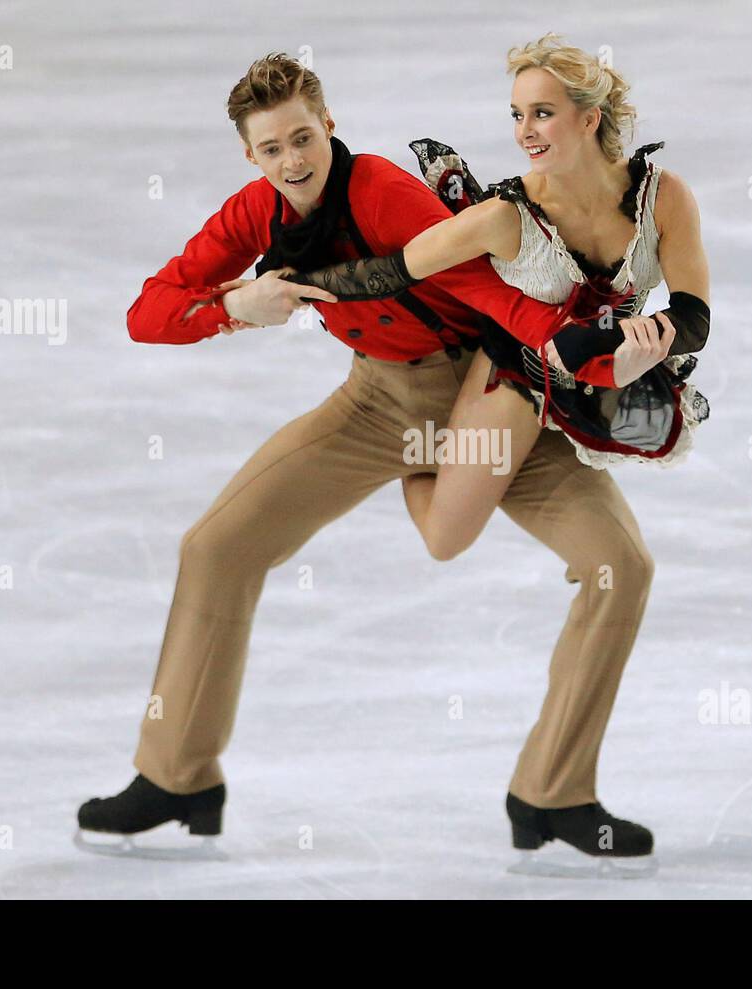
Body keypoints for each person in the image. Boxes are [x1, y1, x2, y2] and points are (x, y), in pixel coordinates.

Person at [76, 49, 665, 873]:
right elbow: (148, 312)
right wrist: (231, 309)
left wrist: (604, 362)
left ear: (330, 128)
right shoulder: (256, 213)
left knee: (620, 564)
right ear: (251, 155)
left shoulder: (384, 193)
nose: (293, 159)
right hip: (377, 405)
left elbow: (499, 295)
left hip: (487, 398)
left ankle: (553, 789)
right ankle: (177, 776)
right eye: (272, 147)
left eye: (304, 137)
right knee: (216, 545)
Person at [288, 34, 711, 565]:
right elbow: (392, 272)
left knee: (649, 433)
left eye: (541, 113)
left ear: (589, 119)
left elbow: (693, 316)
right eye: (517, 114)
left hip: (602, 360)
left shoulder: (664, 196)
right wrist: (297, 284)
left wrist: (633, 343)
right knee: (446, 541)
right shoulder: (502, 217)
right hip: (515, 370)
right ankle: (419, 461)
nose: (524, 132)